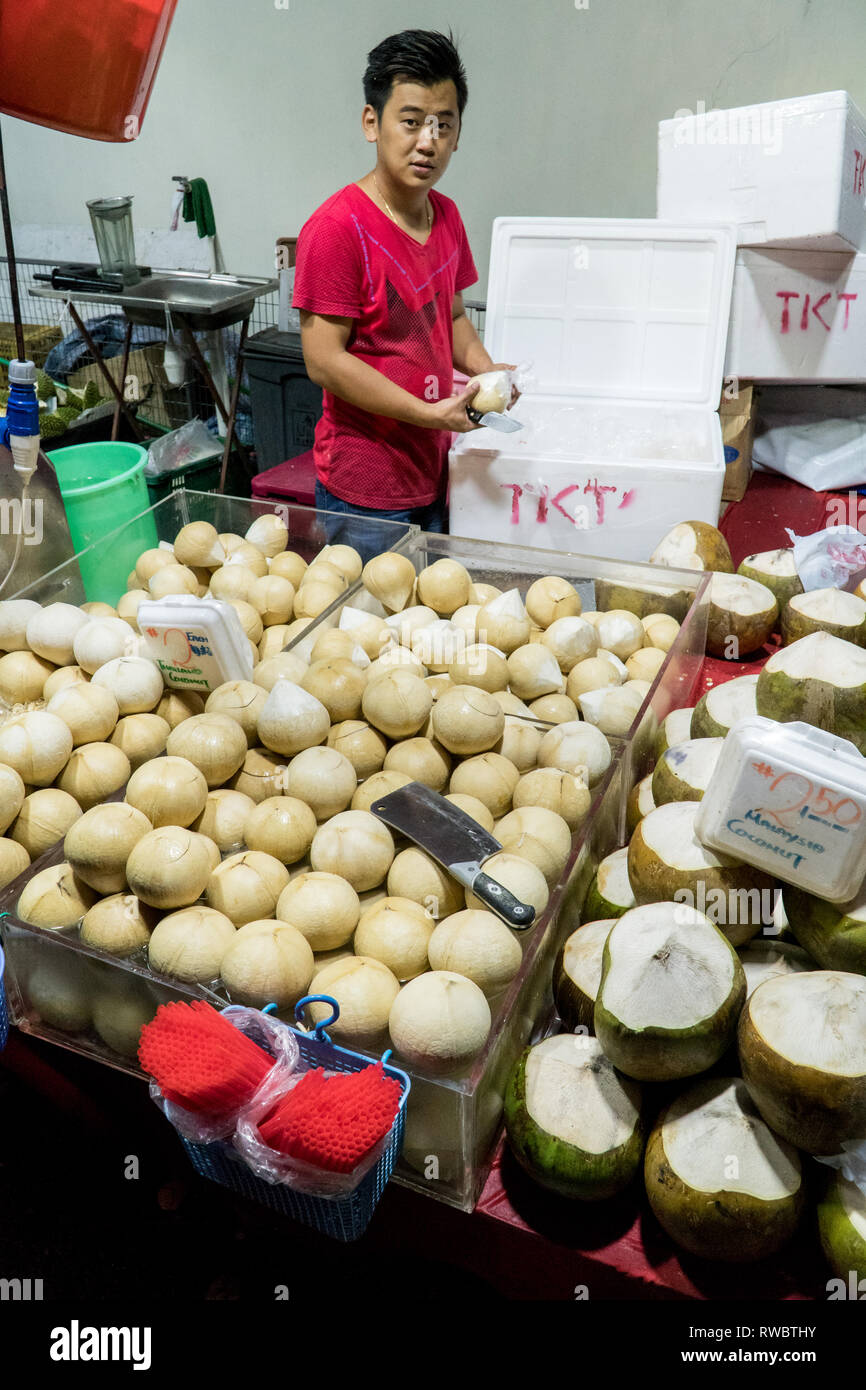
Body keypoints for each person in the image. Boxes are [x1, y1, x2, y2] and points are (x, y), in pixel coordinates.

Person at [292, 28, 516, 537]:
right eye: (411, 122)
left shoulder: (448, 216)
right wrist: (428, 414)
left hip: (436, 470)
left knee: (430, 615)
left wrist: (486, 373)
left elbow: (452, 316)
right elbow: (324, 361)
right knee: (372, 616)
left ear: (458, 133)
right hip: (365, 489)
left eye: (443, 124)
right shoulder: (336, 229)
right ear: (372, 123)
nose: (428, 142)